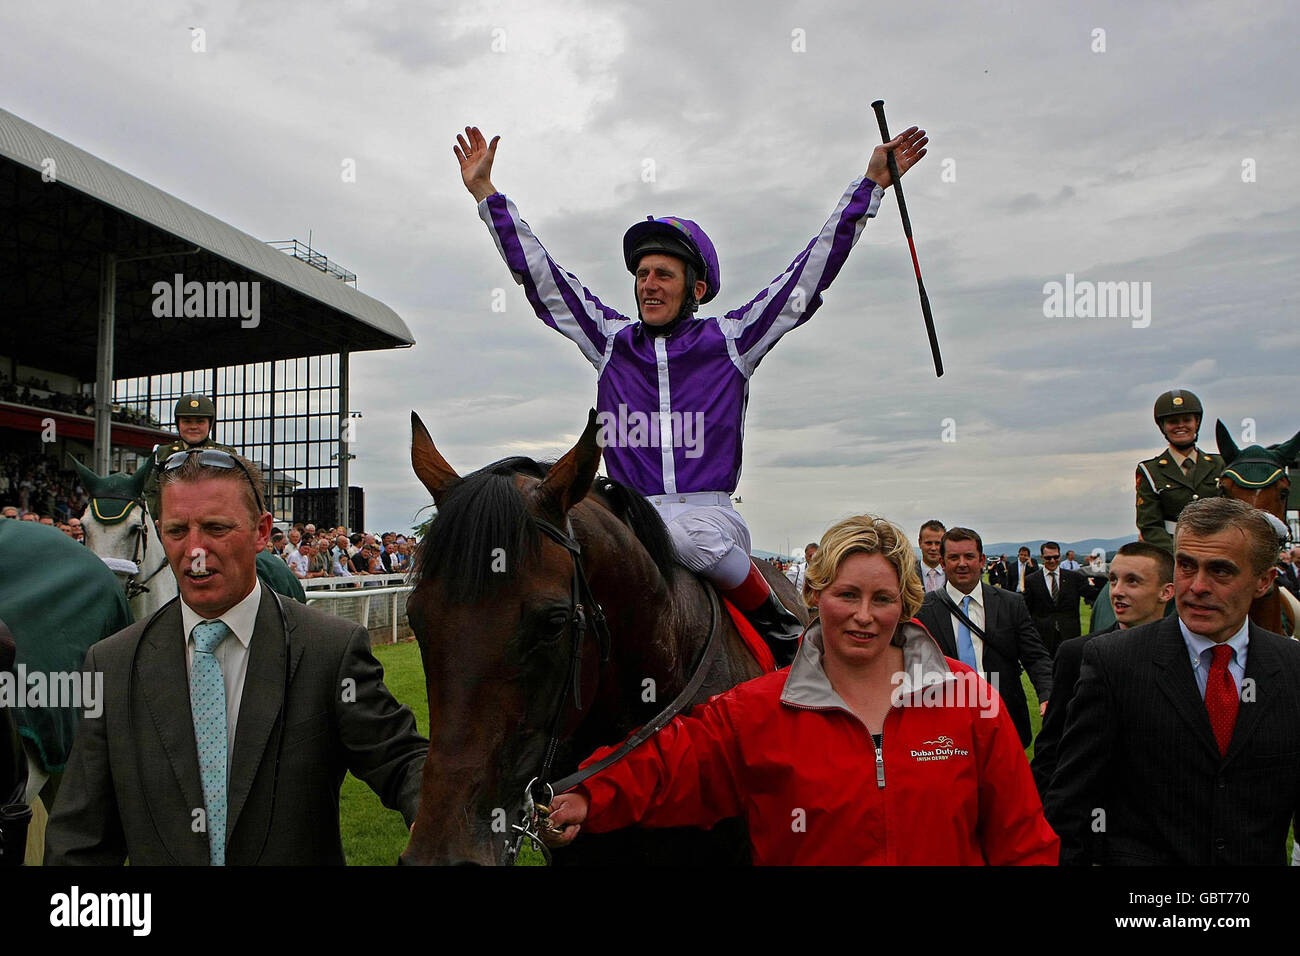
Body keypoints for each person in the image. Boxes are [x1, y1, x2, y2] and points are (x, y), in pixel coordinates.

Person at [456, 122, 927, 665]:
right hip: (627, 512)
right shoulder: (609, 341)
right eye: (642, 274)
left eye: (663, 275)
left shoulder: (731, 341)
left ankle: (776, 623)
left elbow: (807, 277)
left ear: (695, 290)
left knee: (689, 541)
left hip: (707, 517)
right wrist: (486, 195)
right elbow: (541, 276)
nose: (648, 284)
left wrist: (869, 188)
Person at [542, 514, 1058, 865]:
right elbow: (675, 764)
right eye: (847, 594)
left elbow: (1022, 837)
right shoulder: (760, 708)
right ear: (814, 594)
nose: (863, 615)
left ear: (906, 603)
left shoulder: (966, 698)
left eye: (882, 598)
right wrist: (591, 795)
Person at [45, 449, 427, 865]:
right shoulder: (112, 665)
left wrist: (437, 819)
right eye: (176, 531)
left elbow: (402, 759)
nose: (194, 552)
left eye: (216, 528)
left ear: (262, 532)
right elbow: (79, 840)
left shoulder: (328, 650)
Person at [1044, 497, 1300, 865]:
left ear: (1264, 581)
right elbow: (1070, 803)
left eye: (1220, 571)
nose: (1197, 586)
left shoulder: (1292, 669)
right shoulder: (1114, 662)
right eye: (1186, 566)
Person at [1030, 541, 1174, 797]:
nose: (1117, 591)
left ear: (1166, 592)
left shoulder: (1187, 657)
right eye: (1113, 580)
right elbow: (1051, 747)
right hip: (1093, 809)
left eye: (1133, 581)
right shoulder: (1076, 654)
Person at [914, 527, 1054, 749]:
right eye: (953, 557)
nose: (962, 563)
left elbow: (1035, 656)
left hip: (1002, 712)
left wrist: (1046, 694)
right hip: (947, 717)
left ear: (981, 560)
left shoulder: (1011, 604)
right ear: (942, 562)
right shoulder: (924, 611)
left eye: (969, 556)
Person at [142, 394, 238, 519]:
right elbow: (151, 495)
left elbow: (234, 496)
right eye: (187, 421)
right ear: (178, 424)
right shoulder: (162, 455)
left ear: (210, 424)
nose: (193, 426)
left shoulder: (225, 455)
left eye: (200, 421)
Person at [1022, 541, 1099, 656]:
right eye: (1048, 558)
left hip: (1070, 634)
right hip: (1043, 636)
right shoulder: (1031, 580)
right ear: (1042, 557)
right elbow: (1026, 608)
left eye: (1056, 557)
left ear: (1060, 556)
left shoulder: (1074, 578)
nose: (1052, 560)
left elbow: (1092, 594)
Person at [917, 519, 946, 592]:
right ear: (920, 543)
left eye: (938, 543)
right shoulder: (907, 574)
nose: (933, 548)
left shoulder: (953, 573)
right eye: (928, 543)